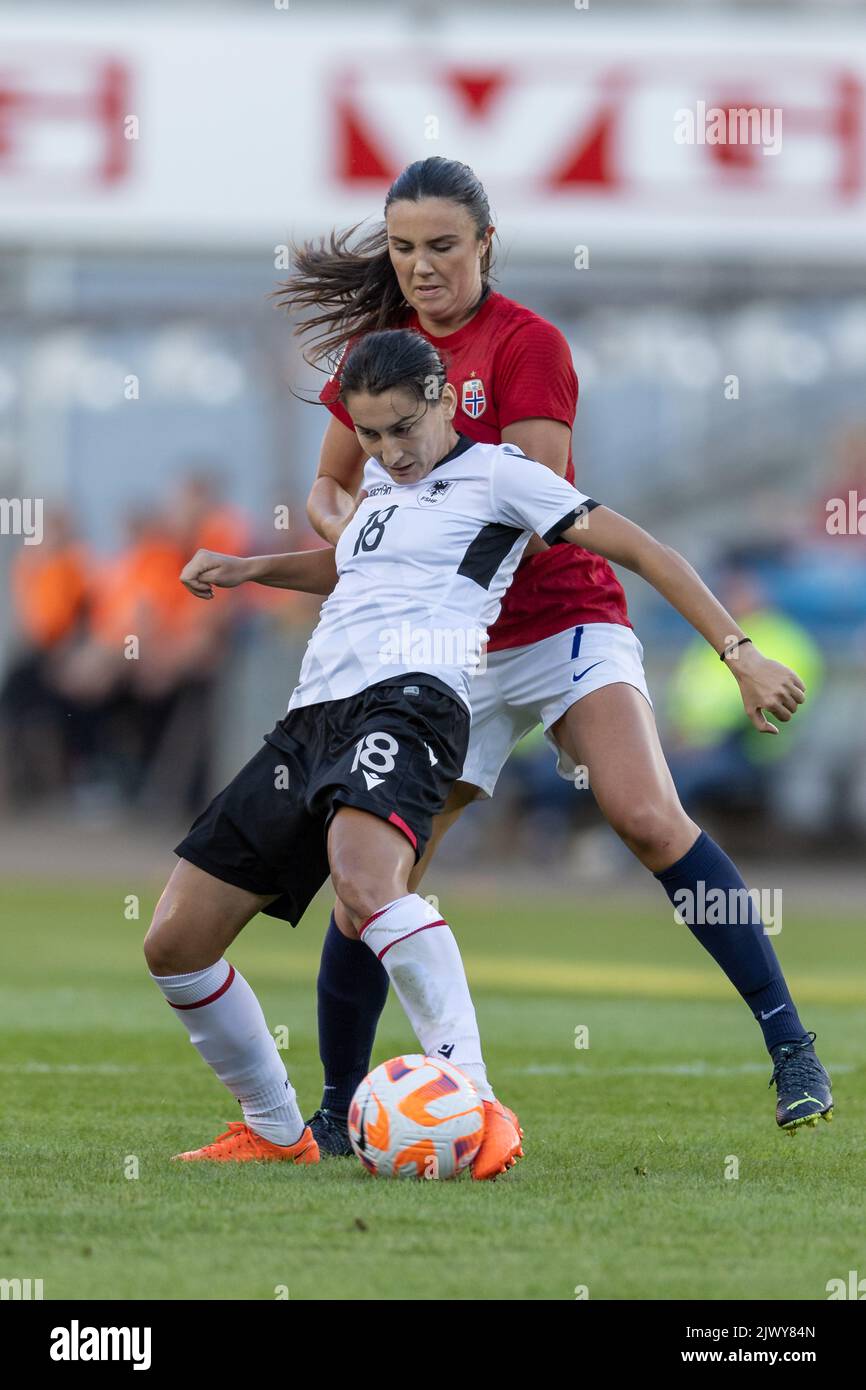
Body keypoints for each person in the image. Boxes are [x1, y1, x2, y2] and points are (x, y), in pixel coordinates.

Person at [262, 156, 835, 1150]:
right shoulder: (373, 351)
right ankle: (332, 1110)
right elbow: (327, 488)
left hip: (559, 620)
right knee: (374, 876)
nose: (422, 266)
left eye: (442, 245)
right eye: (403, 248)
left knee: (648, 816)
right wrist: (349, 520)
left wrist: (736, 650)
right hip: (449, 650)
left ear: (487, 243)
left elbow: (527, 510)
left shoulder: (528, 346)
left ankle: (789, 1042)